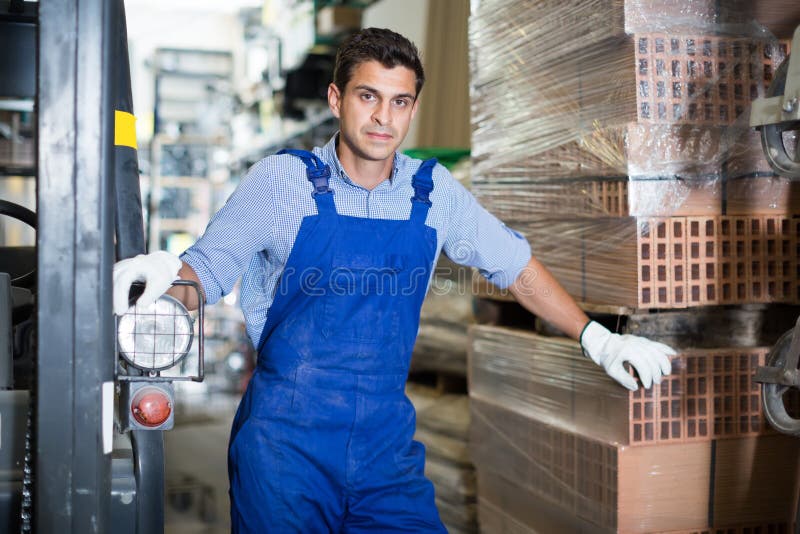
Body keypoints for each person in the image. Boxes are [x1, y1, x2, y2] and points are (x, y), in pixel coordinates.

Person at [113, 27, 675, 533]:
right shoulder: (284, 182)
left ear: (413, 109)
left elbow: (514, 265)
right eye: (368, 96)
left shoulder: (433, 194)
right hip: (286, 445)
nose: (383, 117)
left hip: (385, 449)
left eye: (399, 101)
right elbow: (208, 269)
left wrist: (596, 337)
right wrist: (163, 285)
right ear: (337, 99)